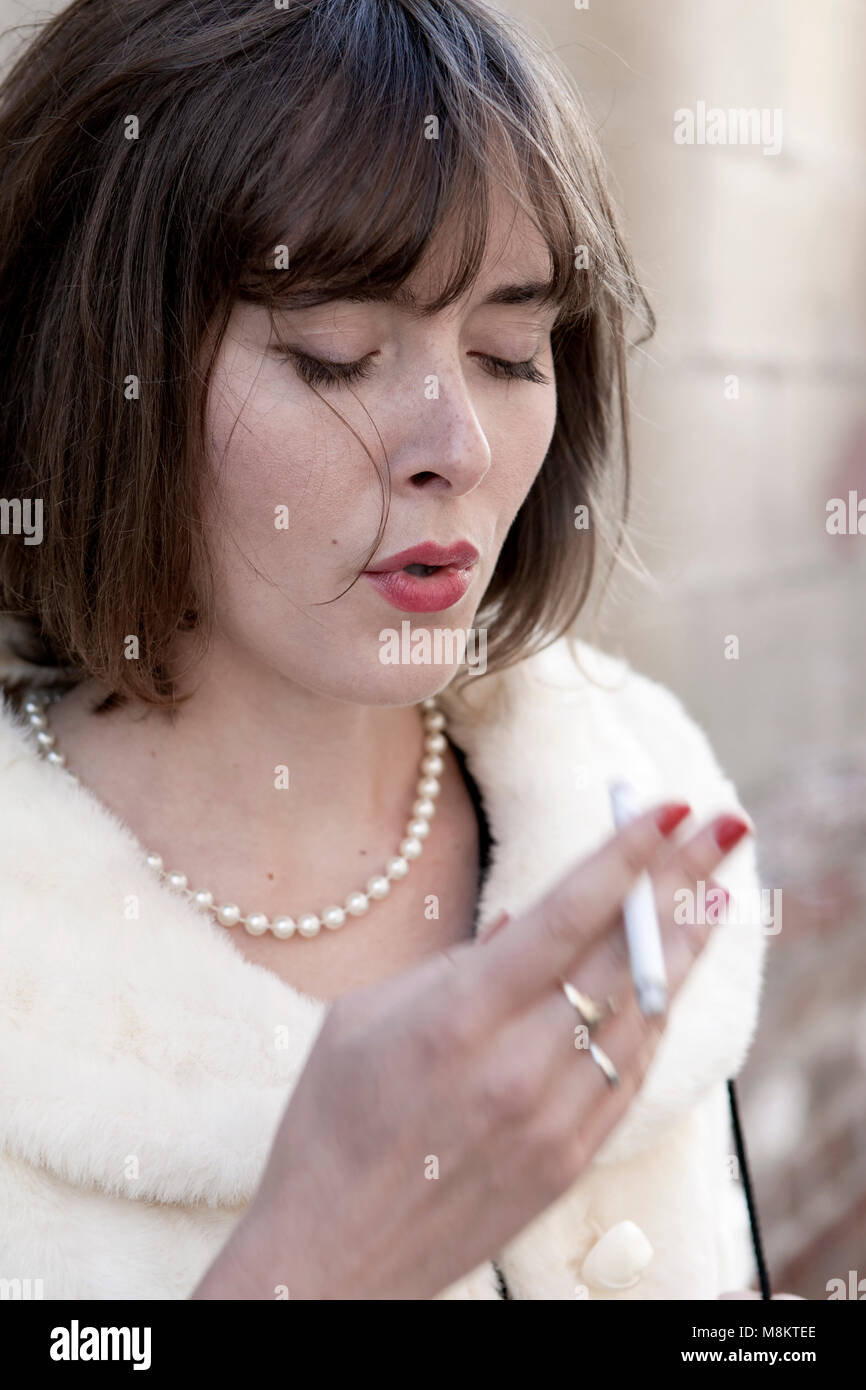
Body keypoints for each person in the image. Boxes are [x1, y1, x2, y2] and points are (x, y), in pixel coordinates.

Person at [0, 0, 776, 1299]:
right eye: (336, 357)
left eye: (507, 353)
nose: (455, 446)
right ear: (96, 370)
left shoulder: (627, 800)